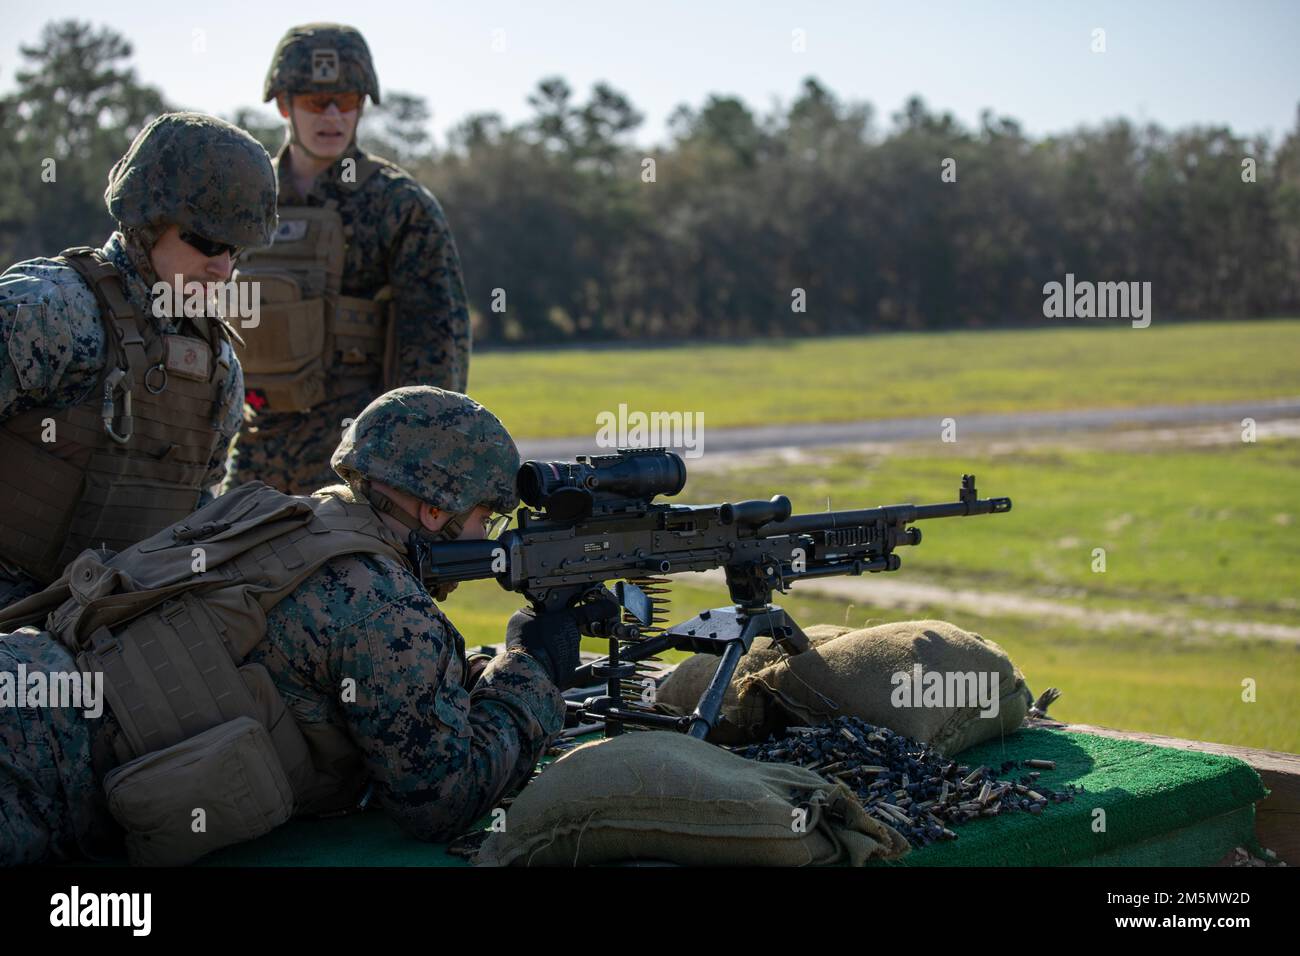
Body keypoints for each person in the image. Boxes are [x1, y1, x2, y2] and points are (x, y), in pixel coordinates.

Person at [0, 386, 579, 865]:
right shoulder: (384, 606)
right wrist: (532, 669)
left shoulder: (291, 515)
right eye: (485, 516)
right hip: (35, 774)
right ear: (436, 510)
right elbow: (441, 800)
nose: (488, 535)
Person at [0, 112, 276, 609]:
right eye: (207, 241)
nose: (223, 268)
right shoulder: (50, 310)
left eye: (235, 249)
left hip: (110, 631)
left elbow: (195, 516)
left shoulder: (218, 366)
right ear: (147, 222)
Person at [224, 22, 471, 495]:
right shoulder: (247, 198)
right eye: (317, 102)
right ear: (284, 104)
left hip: (357, 456)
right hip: (258, 444)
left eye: (348, 100)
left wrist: (413, 465)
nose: (333, 116)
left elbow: (437, 348)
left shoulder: (399, 205)